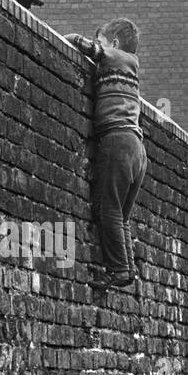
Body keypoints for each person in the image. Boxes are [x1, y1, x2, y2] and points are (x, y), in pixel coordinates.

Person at [63, 19, 146, 288]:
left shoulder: (118, 57)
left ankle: (118, 270)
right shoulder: (130, 68)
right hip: (137, 149)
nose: (98, 44)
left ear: (114, 44)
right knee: (120, 215)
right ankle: (128, 270)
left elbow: (85, 46)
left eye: (101, 40)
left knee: (107, 208)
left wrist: (69, 38)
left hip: (118, 140)